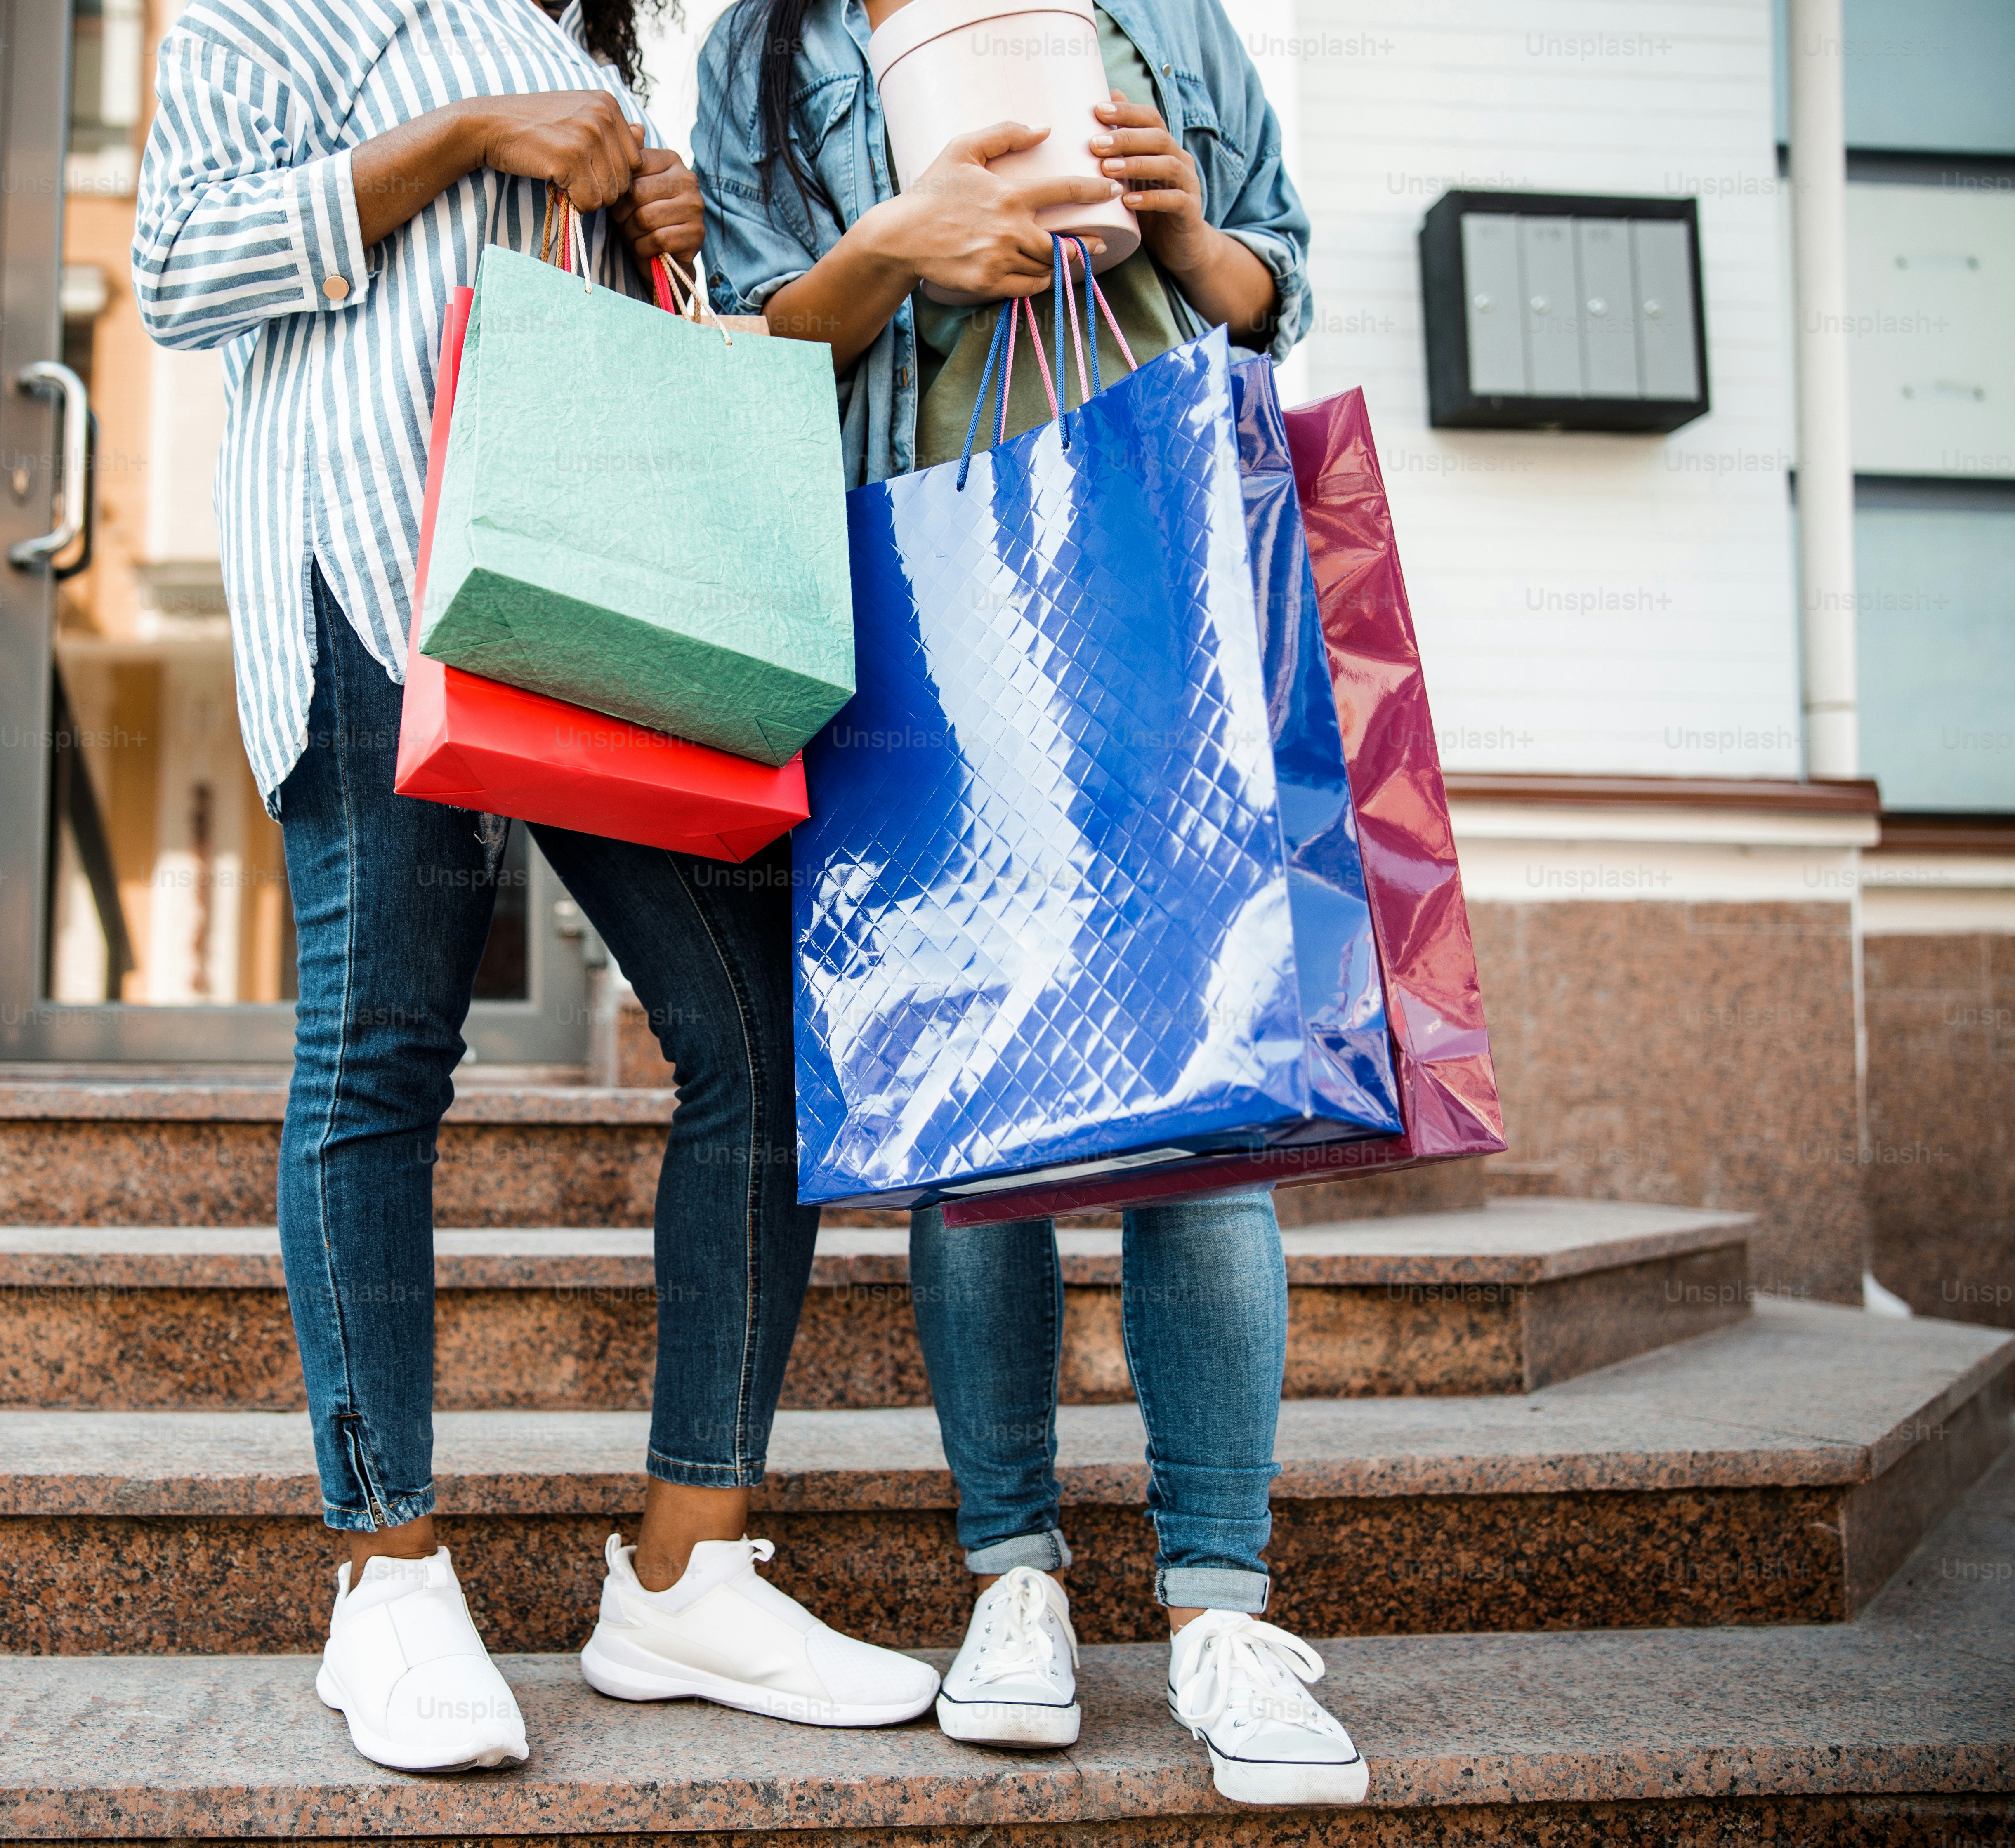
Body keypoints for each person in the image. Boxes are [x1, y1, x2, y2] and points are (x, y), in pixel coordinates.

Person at [134, 0, 940, 1777]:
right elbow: (177, 265)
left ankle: (686, 1567)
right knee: (380, 1054)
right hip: (369, 555)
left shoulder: (588, 19)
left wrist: (658, 227)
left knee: (764, 1046)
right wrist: (466, 138)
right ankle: (388, 1575)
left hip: (592, 560)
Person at [690, 0, 1371, 1810]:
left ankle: (1222, 1603)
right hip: (922, 579)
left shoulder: (1160, 14)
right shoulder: (769, 46)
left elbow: (1268, 283)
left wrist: (1186, 230)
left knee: (1206, 1079)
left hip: (1165, 565)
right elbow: (747, 341)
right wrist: (889, 250)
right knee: (970, 1079)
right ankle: (1016, 1585)